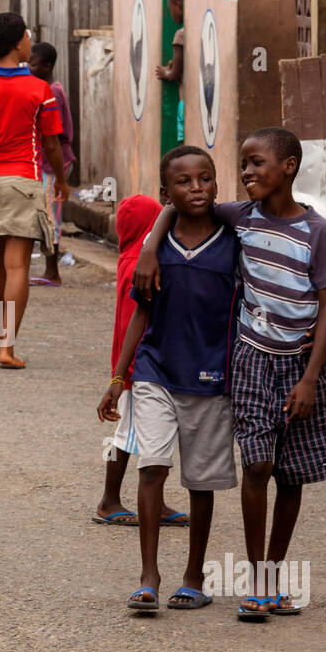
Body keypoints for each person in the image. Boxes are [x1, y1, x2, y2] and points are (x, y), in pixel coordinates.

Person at [136, 127, 326, 620]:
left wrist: (311, 377)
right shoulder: (241, 216)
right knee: (257, 466)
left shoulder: (316, 231)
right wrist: (149, 247)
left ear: (288, 167)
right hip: (250, 357)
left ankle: (272, 579)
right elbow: (179, 205)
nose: (247, 172)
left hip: (302, 365)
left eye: (256, 163)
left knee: (291, 473)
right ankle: (258, 582)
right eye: (244, 164)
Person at [100, 149, 238, 611]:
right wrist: (119, 377)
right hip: (155, 372)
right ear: (166, 193)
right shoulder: (156, 250)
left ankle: (194, 577)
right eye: (184, 181)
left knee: (200, 482)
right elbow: (141, 313)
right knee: (152, 467)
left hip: (212, 379)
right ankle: (148, 576)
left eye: (205, 178)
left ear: (216, 184)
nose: (196, 187)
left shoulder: (233, 241)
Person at [0, 12, 69, 369]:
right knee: (18, 265)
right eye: (27, 35)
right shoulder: (40, 90)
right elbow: (52, 145)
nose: (29, 41)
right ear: (17, 42)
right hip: (25, 181)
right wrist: (62, 181)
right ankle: (8, 347)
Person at [93, 193, 187, 528]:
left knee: (149, 436)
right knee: (125, 436)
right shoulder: (141, 265)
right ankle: (109, 501)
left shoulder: (130, 258)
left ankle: (155, 502)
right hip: (138, 368)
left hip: (138, 366)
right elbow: (134, 322)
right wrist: (125, 375)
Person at [27, 41, 75, 286]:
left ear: (47, 66)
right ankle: (49, 270)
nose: (28, 68)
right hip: (49, 161)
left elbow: (53, 138)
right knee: (45, 215)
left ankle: (52, 272)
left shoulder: (52, 93)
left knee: (49, 218)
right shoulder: (49, 88)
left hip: (54, 163)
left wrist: (60, 177)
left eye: (33, 64)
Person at [154, 0, 185, 144]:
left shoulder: (181, 35)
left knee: (183, 141)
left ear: (179, 6)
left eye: (170, 8)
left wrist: (165, 72)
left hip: (184, 102)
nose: (170, 13)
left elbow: (174, 74)